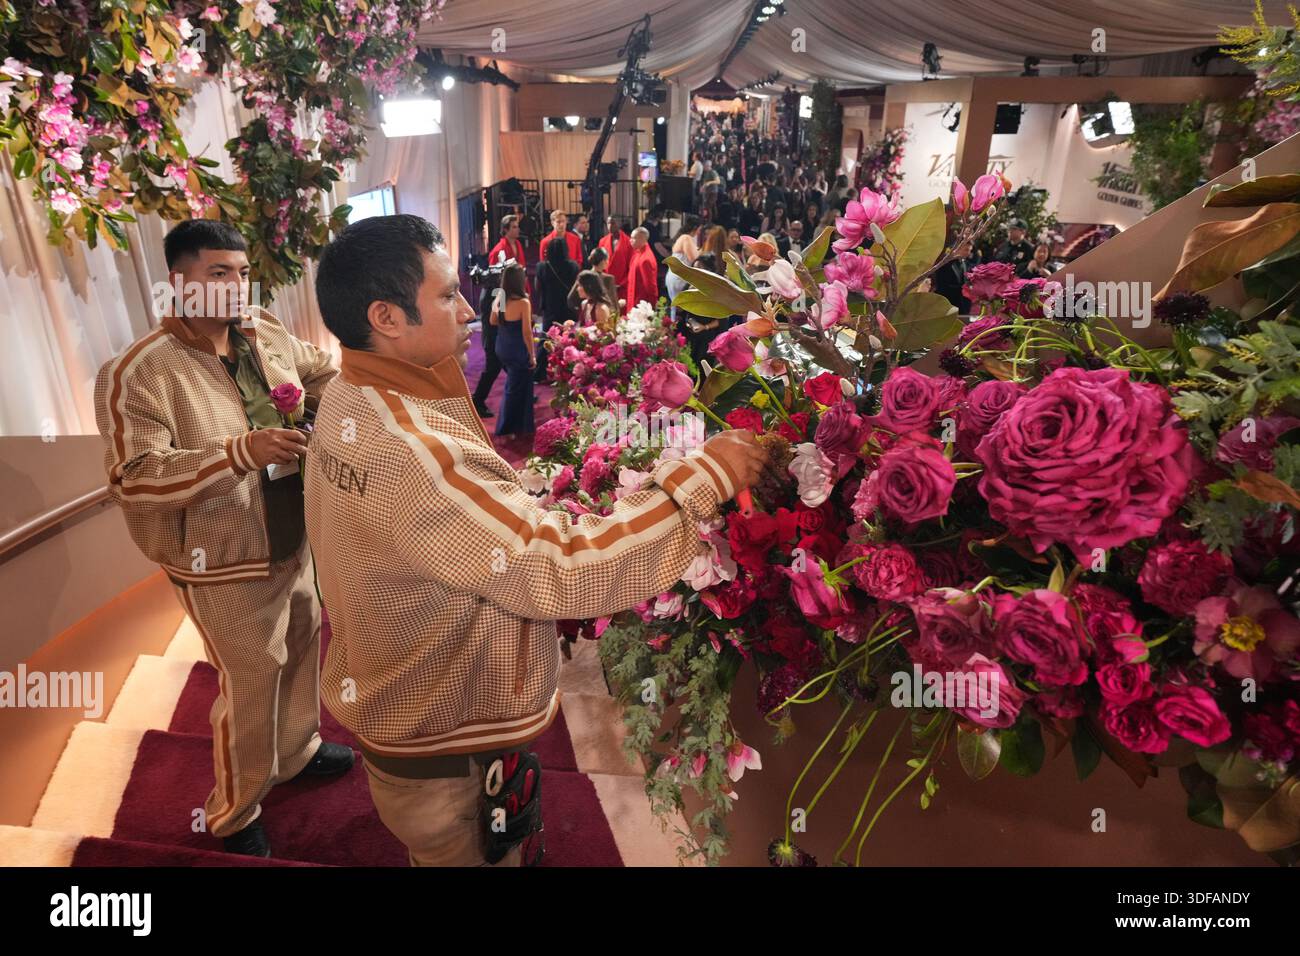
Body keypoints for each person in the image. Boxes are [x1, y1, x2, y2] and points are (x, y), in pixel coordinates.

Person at [305, 214, 764, 865]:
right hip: (448, 753)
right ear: (385, 317)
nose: (468, 310)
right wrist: (706, 475)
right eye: (444, 295)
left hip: (407, 717)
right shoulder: (411, 451)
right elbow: (559, 569)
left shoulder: (350, 392)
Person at [94, 220, 349, 860]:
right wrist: (241, 451)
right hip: (221, 561)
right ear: (178, 282)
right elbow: (136, 480)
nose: (236, 287)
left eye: (241, 272)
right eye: (218, 274)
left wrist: (314, 416)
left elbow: (321, 369)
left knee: (299, 646)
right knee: (252, 679)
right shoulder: (138, 372)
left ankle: (297, 751)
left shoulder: (262, 328)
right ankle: (234, 812)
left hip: (295, 533)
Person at [534, 231, 579, 382]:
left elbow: (537, 288)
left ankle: (539, 372)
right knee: (570, 339)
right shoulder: (573, 266)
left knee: (546, 339)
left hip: (551, 307)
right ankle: (574, 373)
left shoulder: (542, 267)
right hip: (568, 308)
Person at [934, 239, 976, 314]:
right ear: (957, 248)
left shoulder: (963, 262)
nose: (968, 253)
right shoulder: (945, 263)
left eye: (970, 250)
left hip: (962, 306)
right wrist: (963, 289)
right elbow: (942, 287)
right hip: (948, 306)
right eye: (966, 250)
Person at [597, 215, 632, 304]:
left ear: (619, 224)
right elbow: (599, 263)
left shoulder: (628, 242)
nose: (610, 226)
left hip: (622, 285)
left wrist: (622, 283)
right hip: (606, 284)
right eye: (608, 223)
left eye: (613, 223)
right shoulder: (603, 241)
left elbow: (631, 265)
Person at [625, 226, 659, 312]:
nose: (630, 240)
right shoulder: (638, 253)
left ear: (642, 239)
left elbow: (650, 286)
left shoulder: (646, 259)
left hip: (641, 304)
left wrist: (653, 305)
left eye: (633, 238)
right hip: (634, 298)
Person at [586, 246, 621, 312]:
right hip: (604, 315)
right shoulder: (608, 279)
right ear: (603, 261)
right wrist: (619, 304)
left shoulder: (584, 276)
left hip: (588, 318)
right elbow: (613, 304)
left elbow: (571, 299)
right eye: (607, 259)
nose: (608, 262)